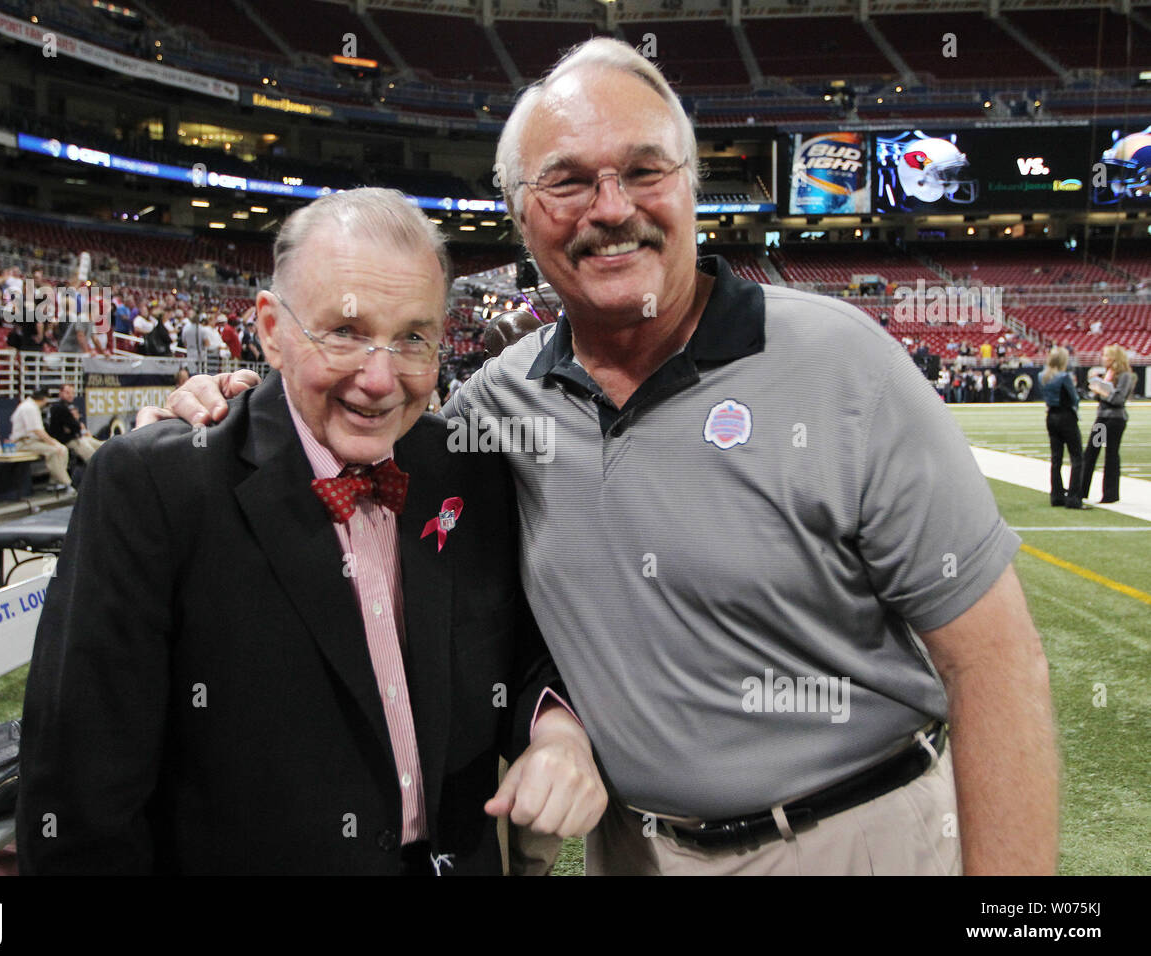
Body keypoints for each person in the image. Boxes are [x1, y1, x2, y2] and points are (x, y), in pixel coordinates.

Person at [157, 39, 1057, 876]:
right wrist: (237, 407)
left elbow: (994, 663)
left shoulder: (842, 363)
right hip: (635, 853)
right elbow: (350, 436)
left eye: (642, 171)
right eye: (568, 181)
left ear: (692, 184)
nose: (612, 209)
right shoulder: (495, 407)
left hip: (862, 839)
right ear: (520, 216)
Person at [17, 188, 604, 875]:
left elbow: (525, 649)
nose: (380, 379)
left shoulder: (467, 467)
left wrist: (557, 729)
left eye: (413, 337)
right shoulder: (155, 489)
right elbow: (84, 795)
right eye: (346, 333)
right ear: (271, 329)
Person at [1080, 343, 1136, 504]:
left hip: (1115, 420)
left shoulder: (1125, 375)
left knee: (1111, 455)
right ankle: (1081, 490)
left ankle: (1110, 494)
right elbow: (1100, 396)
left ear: (1114, 358)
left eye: (1106, 355)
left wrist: (1103, 392)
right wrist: (1097, 390)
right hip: (1102, 418)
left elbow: (1118, 399)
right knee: (1091, 452)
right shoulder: (1107, 374)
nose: (1103, 358)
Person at [1039, 347, 1084, 509]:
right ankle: (1073, 497)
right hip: (1066, 417)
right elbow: (1074, 398)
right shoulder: (1064, 376)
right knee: (1077, 457)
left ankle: (1056, 495)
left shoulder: (1042, 376)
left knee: (1056, 458)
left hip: (1051, 416)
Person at [10, 388, 73, 493]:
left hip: (31, 442)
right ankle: (66, 483)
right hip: (22, 443)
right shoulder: (29, 408)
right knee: (54, 450)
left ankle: (55, 482)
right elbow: (37, 431)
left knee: (63, 449)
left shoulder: (31, 406)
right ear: (44, 399)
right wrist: (53, 443)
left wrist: (55, 443)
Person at [47, 383, 103, 464]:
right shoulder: (58, 407)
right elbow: (75, 426)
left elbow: (75, 426)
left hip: (74, 436)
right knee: (90, 454)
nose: (70, 395)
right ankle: (97, 470)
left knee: (98, 445)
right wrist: (78, 427)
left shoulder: (69, 406)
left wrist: (79, 428)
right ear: (60, 393)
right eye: (67, 393)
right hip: (65, 440)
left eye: (72, 393)